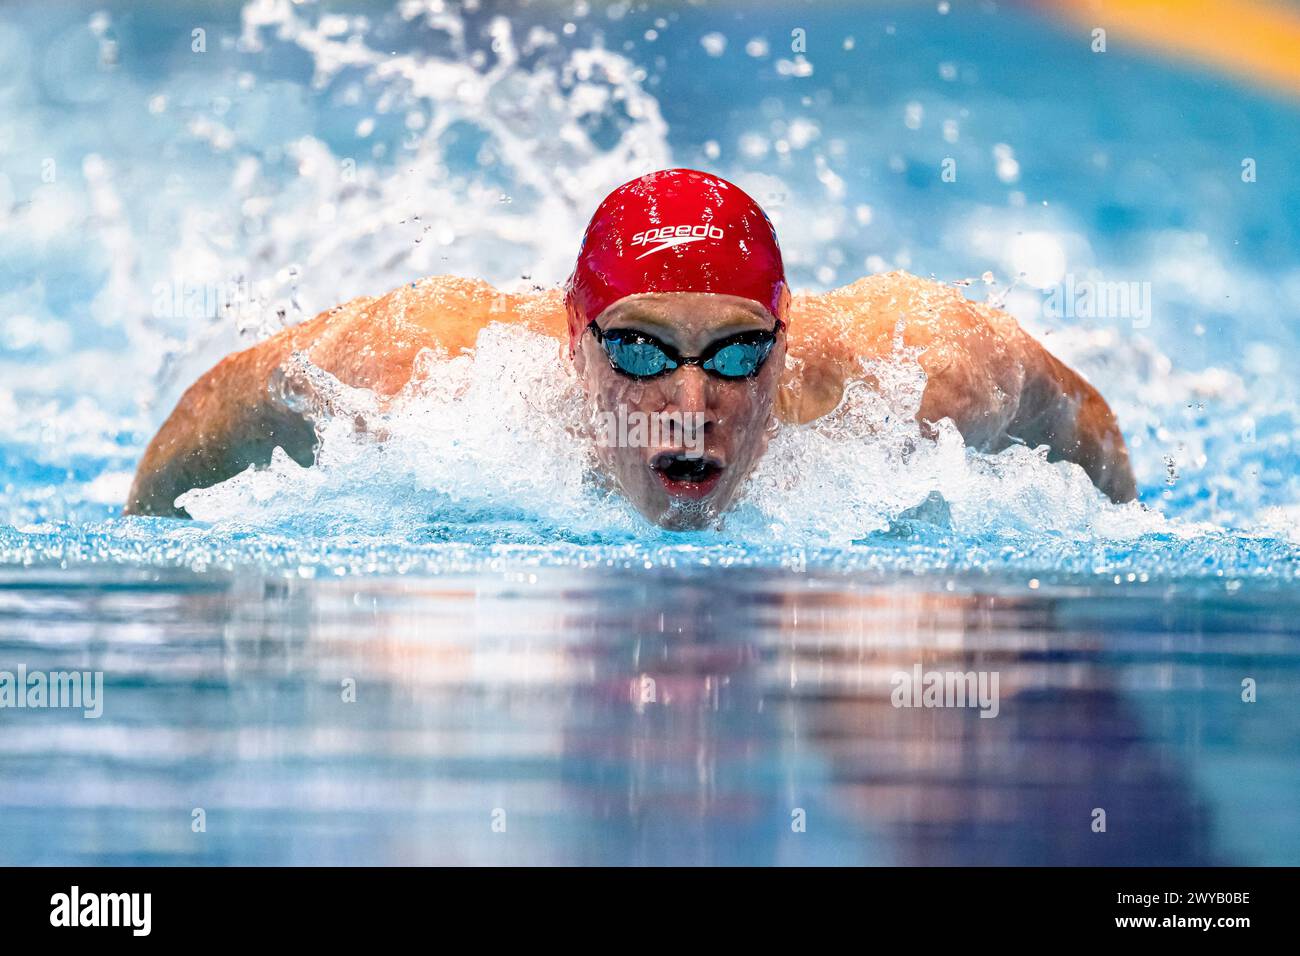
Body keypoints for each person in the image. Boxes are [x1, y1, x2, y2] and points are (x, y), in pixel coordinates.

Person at [125, 168, 1136, 527]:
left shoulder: (919, 372)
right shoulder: (430, 370)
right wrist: (143, 552)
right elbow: (226, 402)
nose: (690, 400)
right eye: (643, 352)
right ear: (575, 339)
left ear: (784, 345)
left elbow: (1082, 425)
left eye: (737, 354)